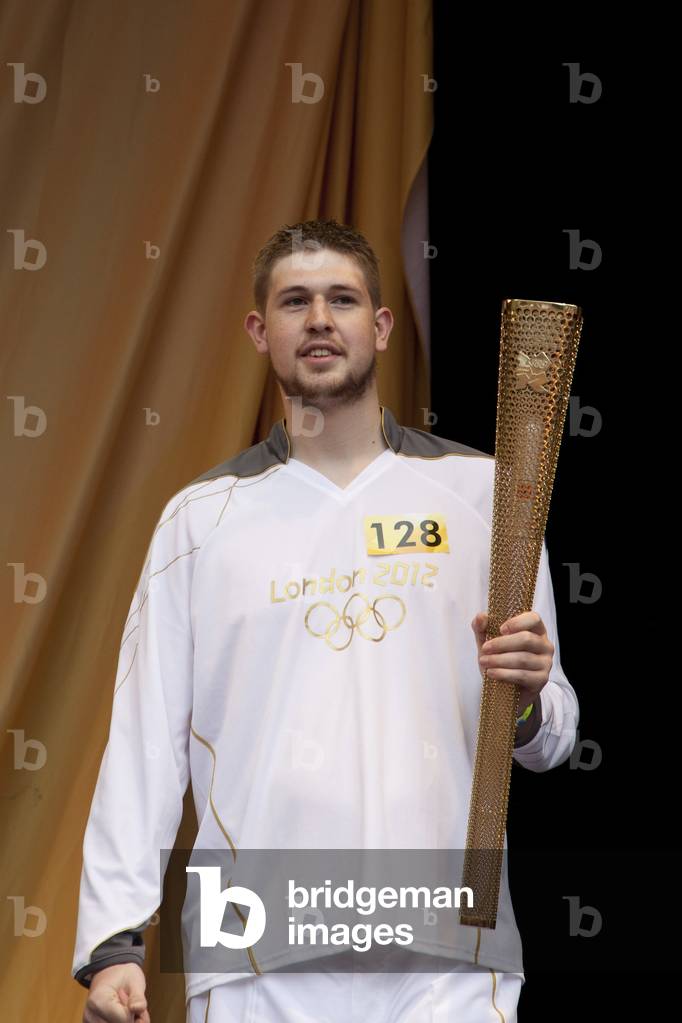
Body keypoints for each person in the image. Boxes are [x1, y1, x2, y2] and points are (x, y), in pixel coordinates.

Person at [73, 219, 579, 1023]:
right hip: (257, 937)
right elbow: (144, 741)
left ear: (379, 326)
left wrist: (521, 698)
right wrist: (112, 942)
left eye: (342, 299)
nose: (318, 318)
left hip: (447, 934)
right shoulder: (199, 520)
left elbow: (551, 733)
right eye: (294, 301)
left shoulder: (485, 496)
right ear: (258, 330)